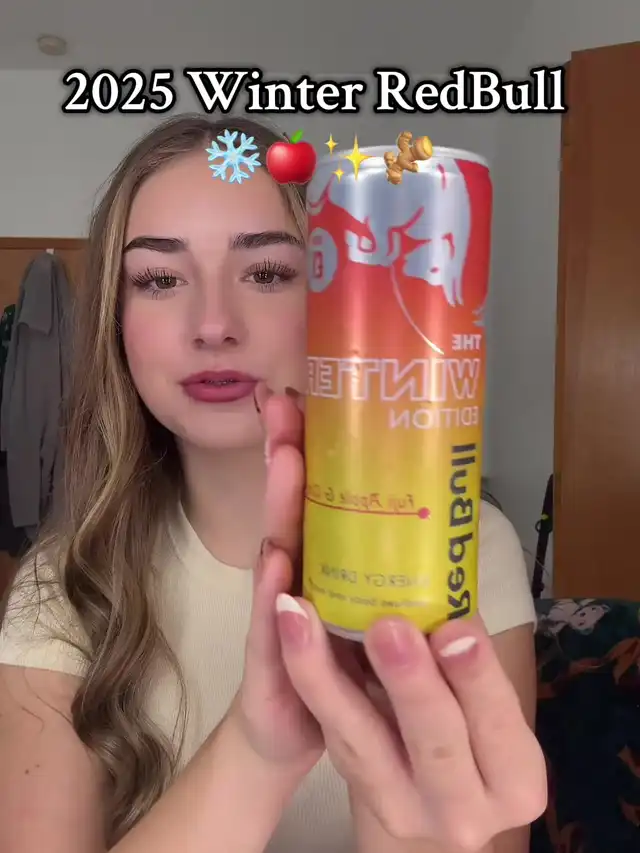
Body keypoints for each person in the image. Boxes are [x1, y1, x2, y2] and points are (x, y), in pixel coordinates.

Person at [0, 114, 547, 853]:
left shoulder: (466, 544)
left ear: (338, 296)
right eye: (159, 279)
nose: (213, 324)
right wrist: (260, 748)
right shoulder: (62, 584)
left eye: (267, 272)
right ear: (115, 323)